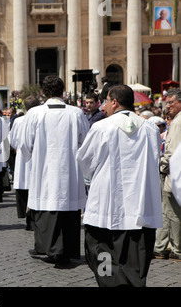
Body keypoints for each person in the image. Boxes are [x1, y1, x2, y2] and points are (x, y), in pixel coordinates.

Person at [77, 85, 163, 287]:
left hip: (107, 205)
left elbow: (85, 161)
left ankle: (111, 282)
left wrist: (92, 175)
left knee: (101, 250)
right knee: (135, 258)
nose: (104, 105)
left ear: (114, 101)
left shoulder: (101, 127)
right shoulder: (150, 128)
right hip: (140, 205)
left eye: (106, 101)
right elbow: (155, 159)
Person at [18, 75, 90, 266]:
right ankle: (69, 249)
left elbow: (24, 144)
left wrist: (34, 158)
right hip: (70, 170)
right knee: (68, 208)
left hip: (44, 169)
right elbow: (86, 142)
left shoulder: (34, 114)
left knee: (46, 205)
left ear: (43, 92)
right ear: (62, 91)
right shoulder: (76, 113)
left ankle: (48, 247)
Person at [156, 88, 181, 261]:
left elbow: (173, 152)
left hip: (172, 172)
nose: (167, 106)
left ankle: (177, 248)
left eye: (171, 102)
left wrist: (162, 166)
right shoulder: (176, 121)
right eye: (167, 102)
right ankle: (162, 246)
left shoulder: (178, 122)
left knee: (172, 213)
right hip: (171, 171)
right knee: (166, 211)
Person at [9, 95, 40, 230]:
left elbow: (13, 140)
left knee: (24, 187)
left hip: (22, 157)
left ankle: (28, 219)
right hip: (38, 157)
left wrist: (18, 148)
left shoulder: (18, 121)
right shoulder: (41, 118)